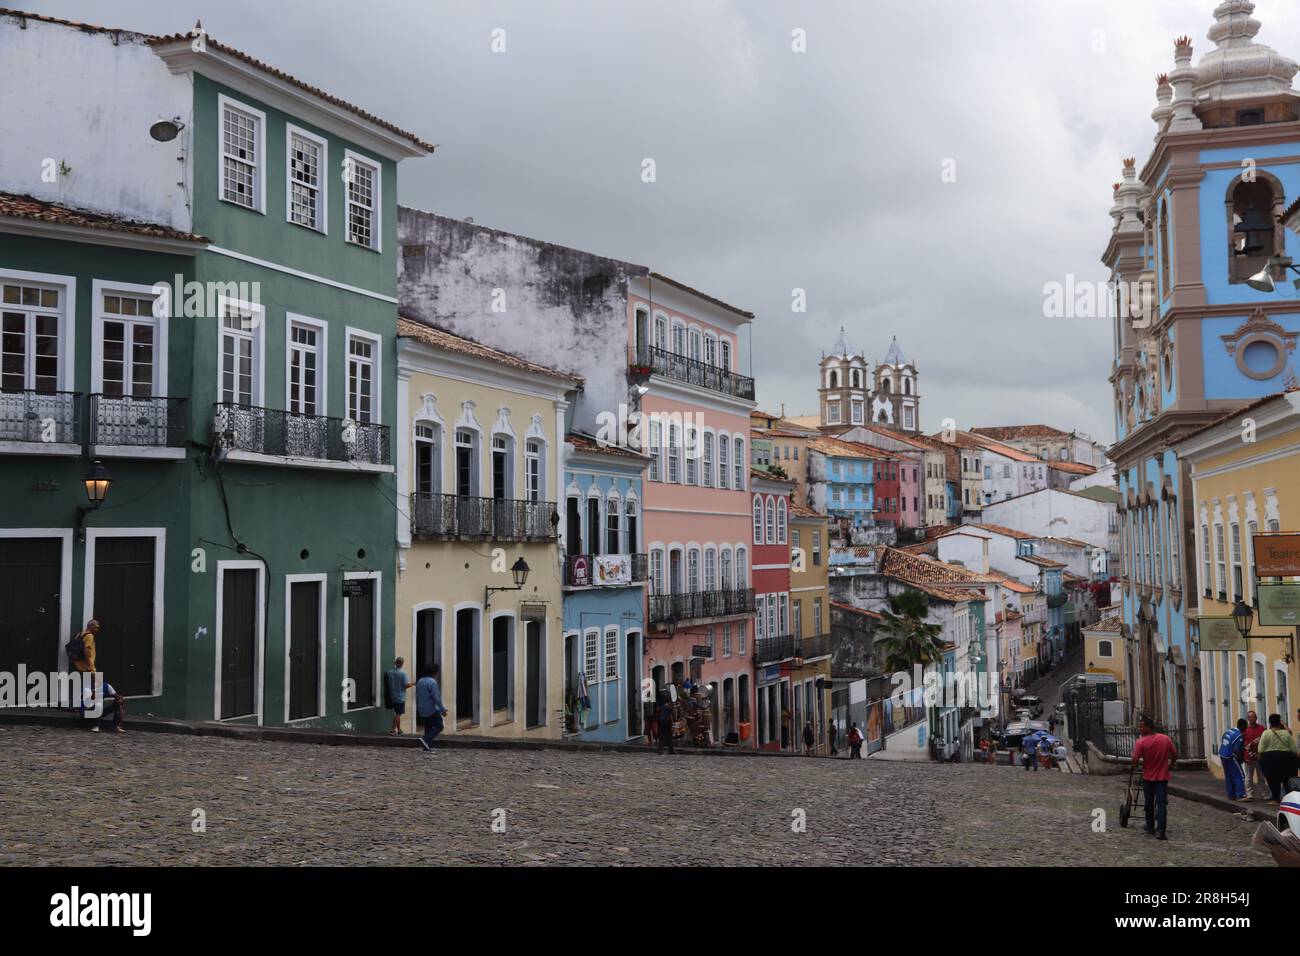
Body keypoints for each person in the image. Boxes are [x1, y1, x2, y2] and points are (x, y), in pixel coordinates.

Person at [1132, 715, 1177, 840]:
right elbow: (1174, 754)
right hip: (1162, 778)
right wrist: (1171, 763)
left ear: (1148, 727)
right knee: (1162, 804)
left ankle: (1150, 827)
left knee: (1149, 803)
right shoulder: (1165, 739)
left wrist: (1136, 764)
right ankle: (1161, 830)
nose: (1139, 729)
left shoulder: (1140, 742)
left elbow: (1135, 759)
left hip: (1148, 777)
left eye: (1141, 726)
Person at [1256, 713, 1299, 804]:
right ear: (1280, 722)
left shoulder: (1266, 733)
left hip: (1270, 760)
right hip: (1287, 759)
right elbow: (1294, 750)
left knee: (1273, 780)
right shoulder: (1286, 733)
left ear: (1270, 722)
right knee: (1287, 780)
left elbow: (1260, 749)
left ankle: (1275, 799)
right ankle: (1290, 800)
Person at [414, 663, 448, 753]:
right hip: (431, 709)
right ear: (434, 672)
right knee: (439, 726)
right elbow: (436, 697)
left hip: (422, 708)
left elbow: (417, 695)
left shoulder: (420, 681)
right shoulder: (432, 682)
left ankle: (427, 747)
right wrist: (442, 709)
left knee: (428, 728)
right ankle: (426, 739)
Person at [383, 657, 414, 736]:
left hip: (391, 696)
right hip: (400, 697)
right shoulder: (403, 674)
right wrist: (413, 683)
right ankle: (393, 730)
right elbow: (406, 685)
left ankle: (399, 730)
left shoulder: (389, 672)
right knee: (398, 713)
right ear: (402, 664)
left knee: (397, 712)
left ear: (395, 663)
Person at [1218, 718, 1247, 801]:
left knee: (1229, 776)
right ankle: (1241, 795)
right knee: (1240, 775)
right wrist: (1242, 759)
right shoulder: (1239, 735)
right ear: (1243, 726)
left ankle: (1231, 794)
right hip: (1231, 756)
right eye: (1246, 726)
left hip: (1223, 754)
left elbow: (1223, 739)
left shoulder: (1229, 731)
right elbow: (1237, 750)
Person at [1244, 710, 1265, 800]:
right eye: (1249, 717)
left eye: (1253, 717)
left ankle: (1263, 794)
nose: (1251, 718)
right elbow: (1243, 745)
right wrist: (1245, 757)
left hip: (1260, 756)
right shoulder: (1245, 730)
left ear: (1256, 718)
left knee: (1261, 777)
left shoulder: (1262, 728)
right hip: (1249, 757)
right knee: (1249, 777)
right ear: (1247, 719)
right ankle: (1249, 794)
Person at [656, 691, 675, 755]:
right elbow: (671, 717)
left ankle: (660, 750)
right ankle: (671, 750)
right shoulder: (670, 708)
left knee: (661, 737)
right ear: (668, 702)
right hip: (668, 722)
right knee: (669, 736)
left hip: (661, 722)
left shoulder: (660, 708)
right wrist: (672, 724)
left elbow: (658, 715)